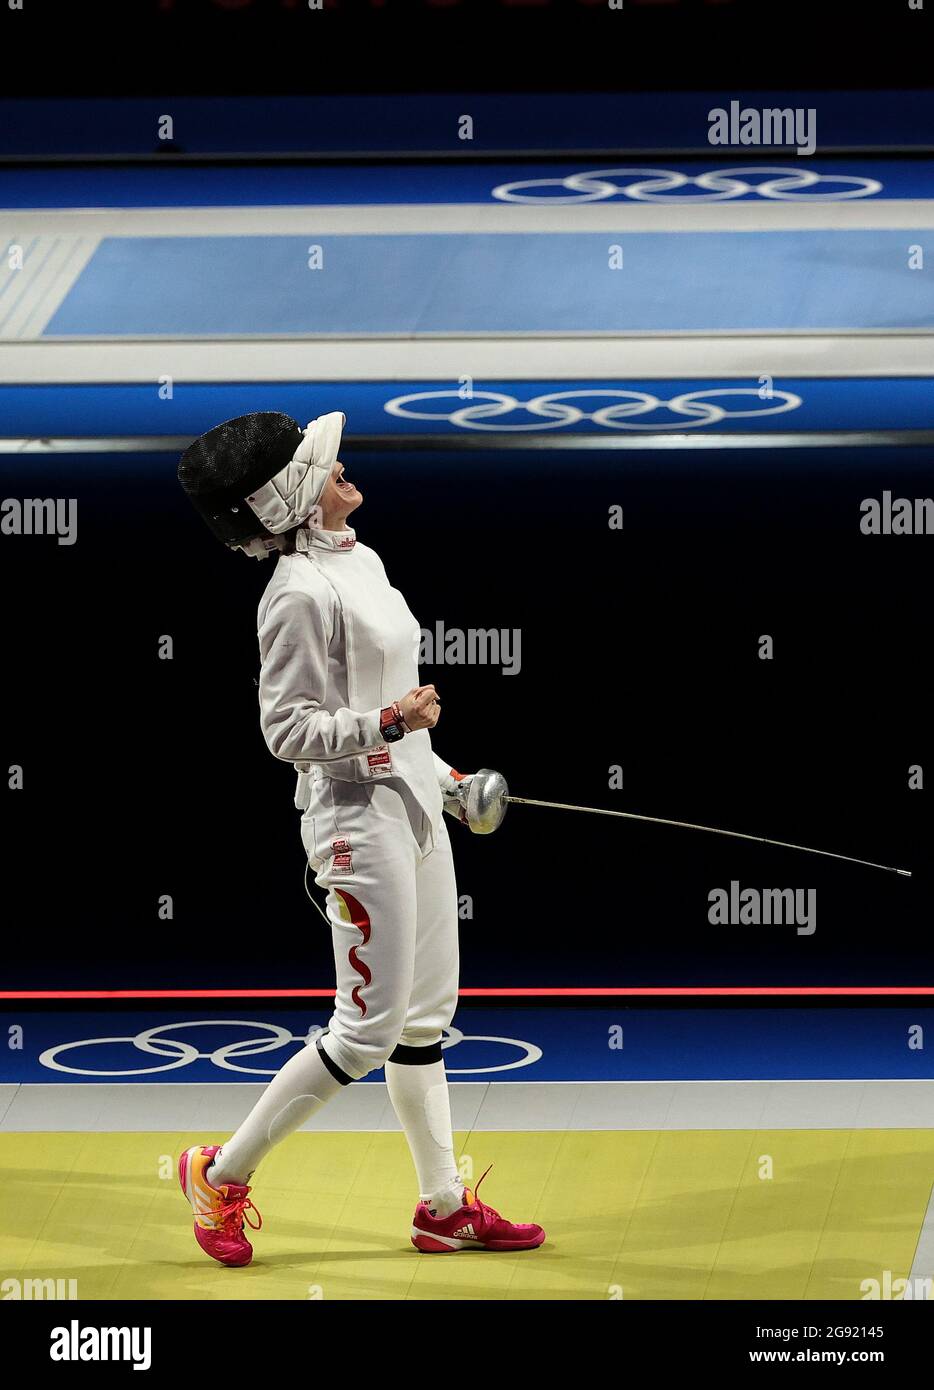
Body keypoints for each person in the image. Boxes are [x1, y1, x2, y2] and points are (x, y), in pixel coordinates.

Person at [175, 410, 545, 1266]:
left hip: (411, 809)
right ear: (298, 498)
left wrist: (448, 783)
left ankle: (443, 1206)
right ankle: (218, 1174)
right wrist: (388, 721)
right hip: (352, 827)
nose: (343, 465)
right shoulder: (296, 593)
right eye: (323, 464)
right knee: (363, 1033)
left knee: (425, 1020)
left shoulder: (365, 562)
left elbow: (401, 719)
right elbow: (287, 730)